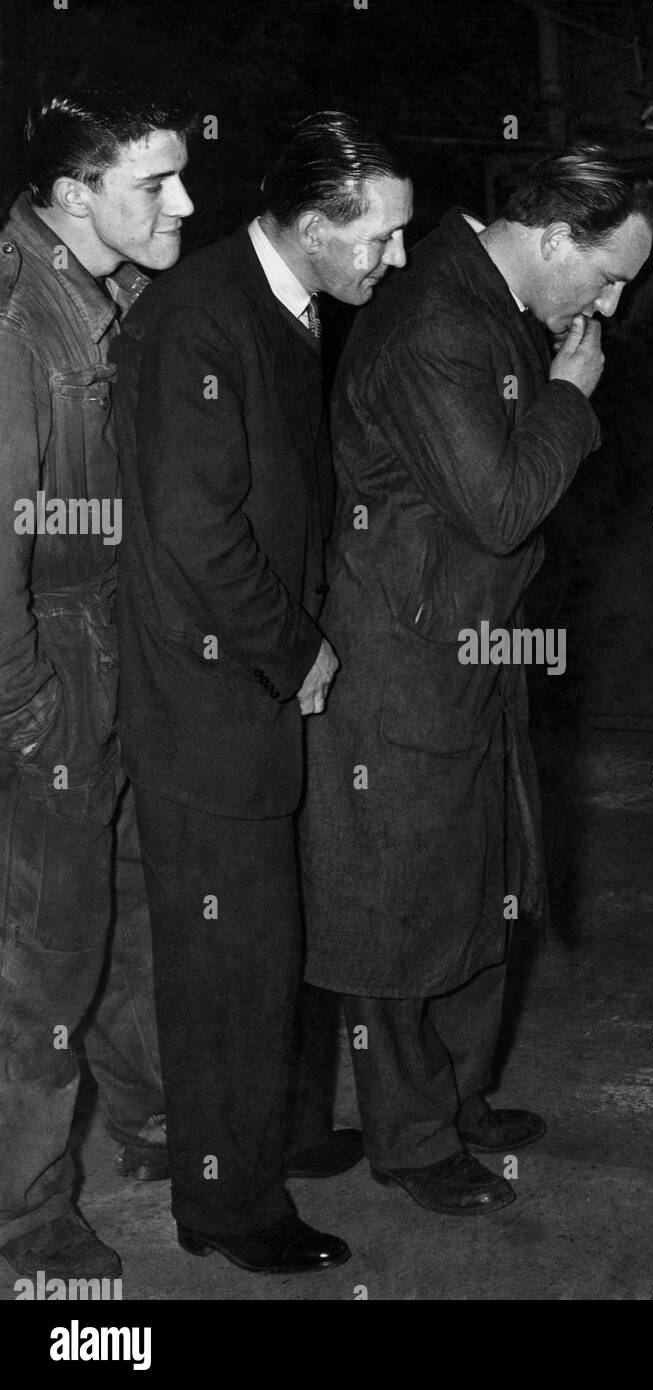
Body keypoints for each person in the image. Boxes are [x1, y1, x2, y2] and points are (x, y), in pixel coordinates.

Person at [299, 144, 653, 1215]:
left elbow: (567, 344)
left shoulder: (491, 292)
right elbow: (500, 503)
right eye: (605, 273)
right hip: (406, 661)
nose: (609, 297)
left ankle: (458, 1098)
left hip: (470, 644)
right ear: (549, 237)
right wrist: (571, 399)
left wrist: (652, 269)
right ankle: (412, 1139)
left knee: (487, 882)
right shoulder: (436, 324)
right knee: (403, 904)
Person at [110, 112, 412, 1275]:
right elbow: (196, 532)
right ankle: (227, 1204)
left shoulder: (280, 304)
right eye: (377, 237)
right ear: (311, 223)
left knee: (266, 942)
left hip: (246, 691)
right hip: (210, 699)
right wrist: (300, 651)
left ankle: (270, 1135)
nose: (390, 257)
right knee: (226, 966)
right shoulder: (204, 314)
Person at [0, 90, 196, 1281]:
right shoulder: (18, 321)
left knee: (127, 902)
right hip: (48, 655)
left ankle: (155, 1120)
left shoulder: (113, 291)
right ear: (77, 197)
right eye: (154, 185)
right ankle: (26, 1216)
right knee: (45, 952)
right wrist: (25, 708)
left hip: (116, 643)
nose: (184, 201)